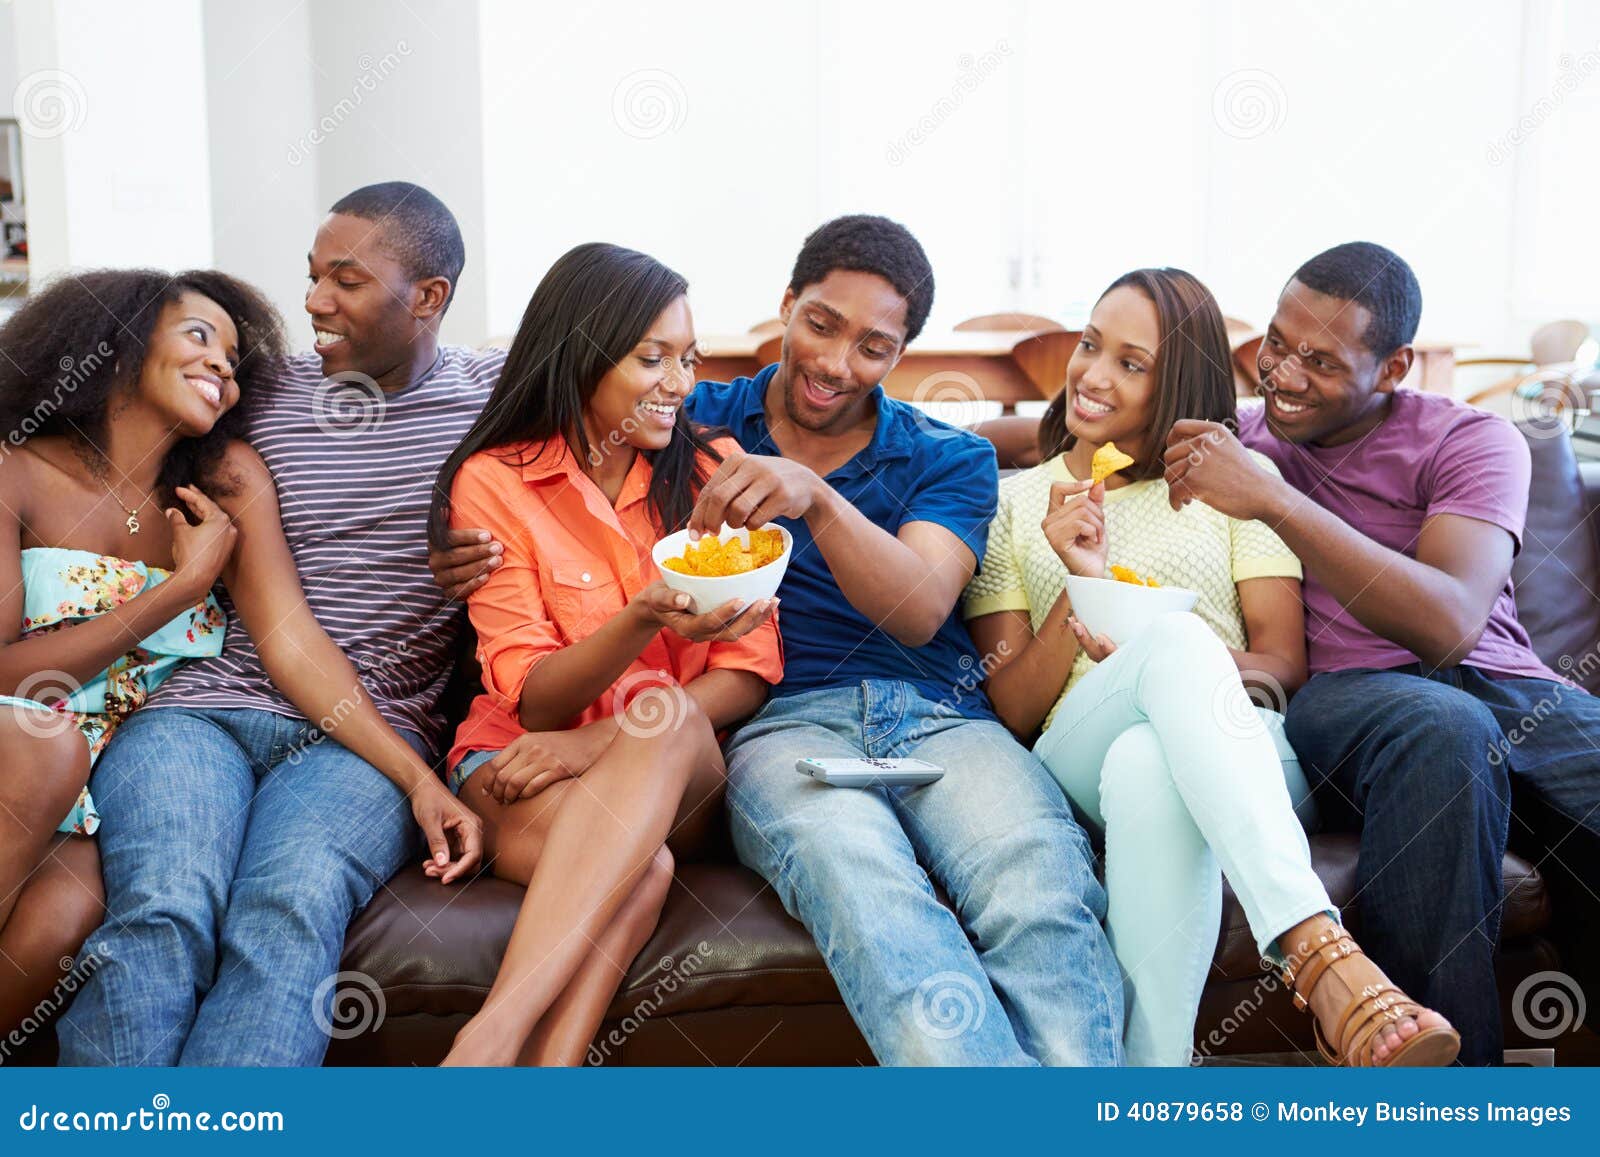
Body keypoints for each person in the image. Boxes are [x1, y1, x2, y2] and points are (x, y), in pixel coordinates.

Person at [435, 216, 1124, 1066]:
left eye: (874, 346)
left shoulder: (934, 456)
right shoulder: (698, 427)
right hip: (781, 727)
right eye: (822, 325)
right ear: (788, 307)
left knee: (1042, 891)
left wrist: (819, 500)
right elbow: (554, 393)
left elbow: (913, 610)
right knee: (864, 899)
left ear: (902, 353)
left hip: (939, 717)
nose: (836, 363)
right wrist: (449, 543)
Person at [963, 267, 1458, 1066]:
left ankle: (1147, 1086)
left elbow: (1281, 665)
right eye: (1090, 345)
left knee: (1150, 757)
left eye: (1131, 361)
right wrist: (1083, 589)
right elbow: (1014, 709)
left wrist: (1162, 653)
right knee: (1168, 653)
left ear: (1179, 380)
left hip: (1240, 739)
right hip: (1072, 751)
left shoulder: (1236, 489)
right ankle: (1317, 948)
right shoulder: (1017, 502)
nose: (1091, 373)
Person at [57, 183, 499, 1066]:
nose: (312, 303)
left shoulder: (500, 395)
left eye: (346, 280)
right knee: (163, 902)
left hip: (366, 740)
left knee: (288, 904)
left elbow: (656, 398)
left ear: (429, 298)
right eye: (310, 277)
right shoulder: (254, 398)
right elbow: (112, 397)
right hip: (200, 708)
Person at [1165, 241, 1600, 1065]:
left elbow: (1449, 624)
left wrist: (1274, 499)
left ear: (1394, 367)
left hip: (1502, 688)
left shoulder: (1472, 440)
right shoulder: (1244, 439)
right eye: (1278, 344)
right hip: (1344, 698)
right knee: (1443, 728)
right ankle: (1433, 1101)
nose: (1284, 374)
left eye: (1321, 360)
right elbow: (1102, 428)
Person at [428, 243, 781, 1066]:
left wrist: (592, 743)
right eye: (651, 357)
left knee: (658, 719)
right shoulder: (493, 482)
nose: (679, 383)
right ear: (582, 353)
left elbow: (747, 674)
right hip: (514, 757)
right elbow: (536, 703)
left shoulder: (714, 474)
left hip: (671, 767)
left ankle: (480, 1044)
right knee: (640, 867)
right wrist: (639, 620)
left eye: (688, 359)